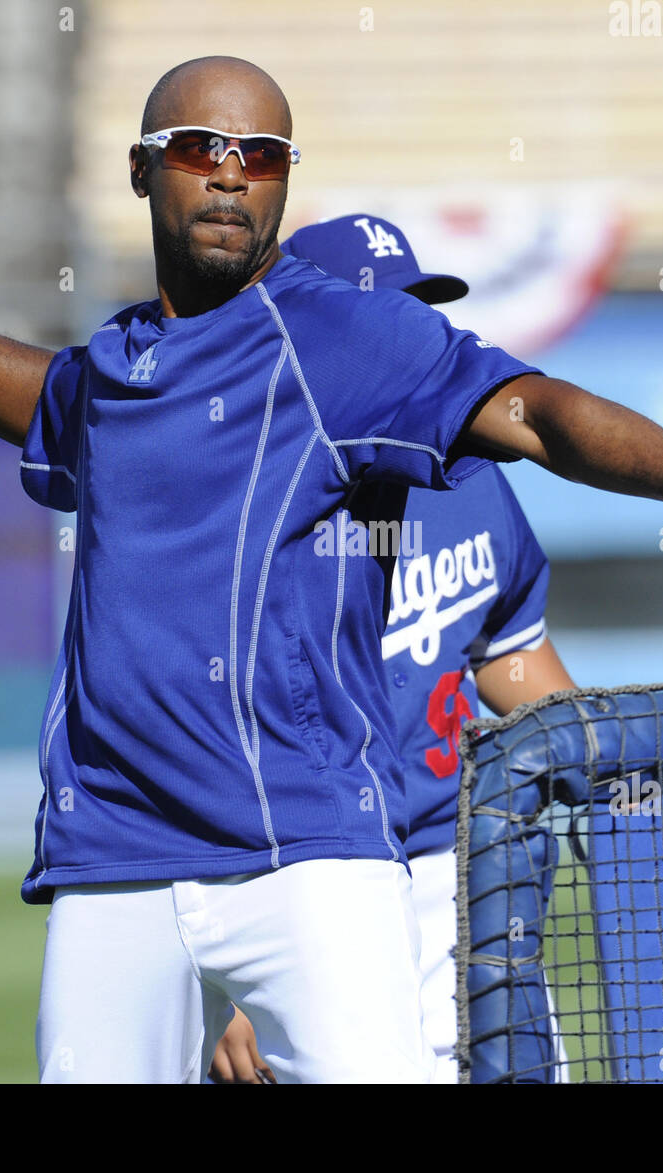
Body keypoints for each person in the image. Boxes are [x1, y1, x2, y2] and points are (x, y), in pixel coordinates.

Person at [0, 55, 663, 1083]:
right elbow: (54, 402)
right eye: (202, 147)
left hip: (303, 852)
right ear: (142, 171)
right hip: (115, 853)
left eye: (264, 154)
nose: (234, 173)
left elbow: (533, 411)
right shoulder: (120, 360)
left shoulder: (338, 337)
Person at [209, 214, 577, 1084]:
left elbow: (511, 660)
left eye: (415, 311)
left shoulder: (473, 478)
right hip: (309, 880)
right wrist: (230, 970)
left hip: (464, 876)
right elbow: (205, 740)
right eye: (377, 316)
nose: (402, 338)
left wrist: (632, 777)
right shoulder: (258, 510)